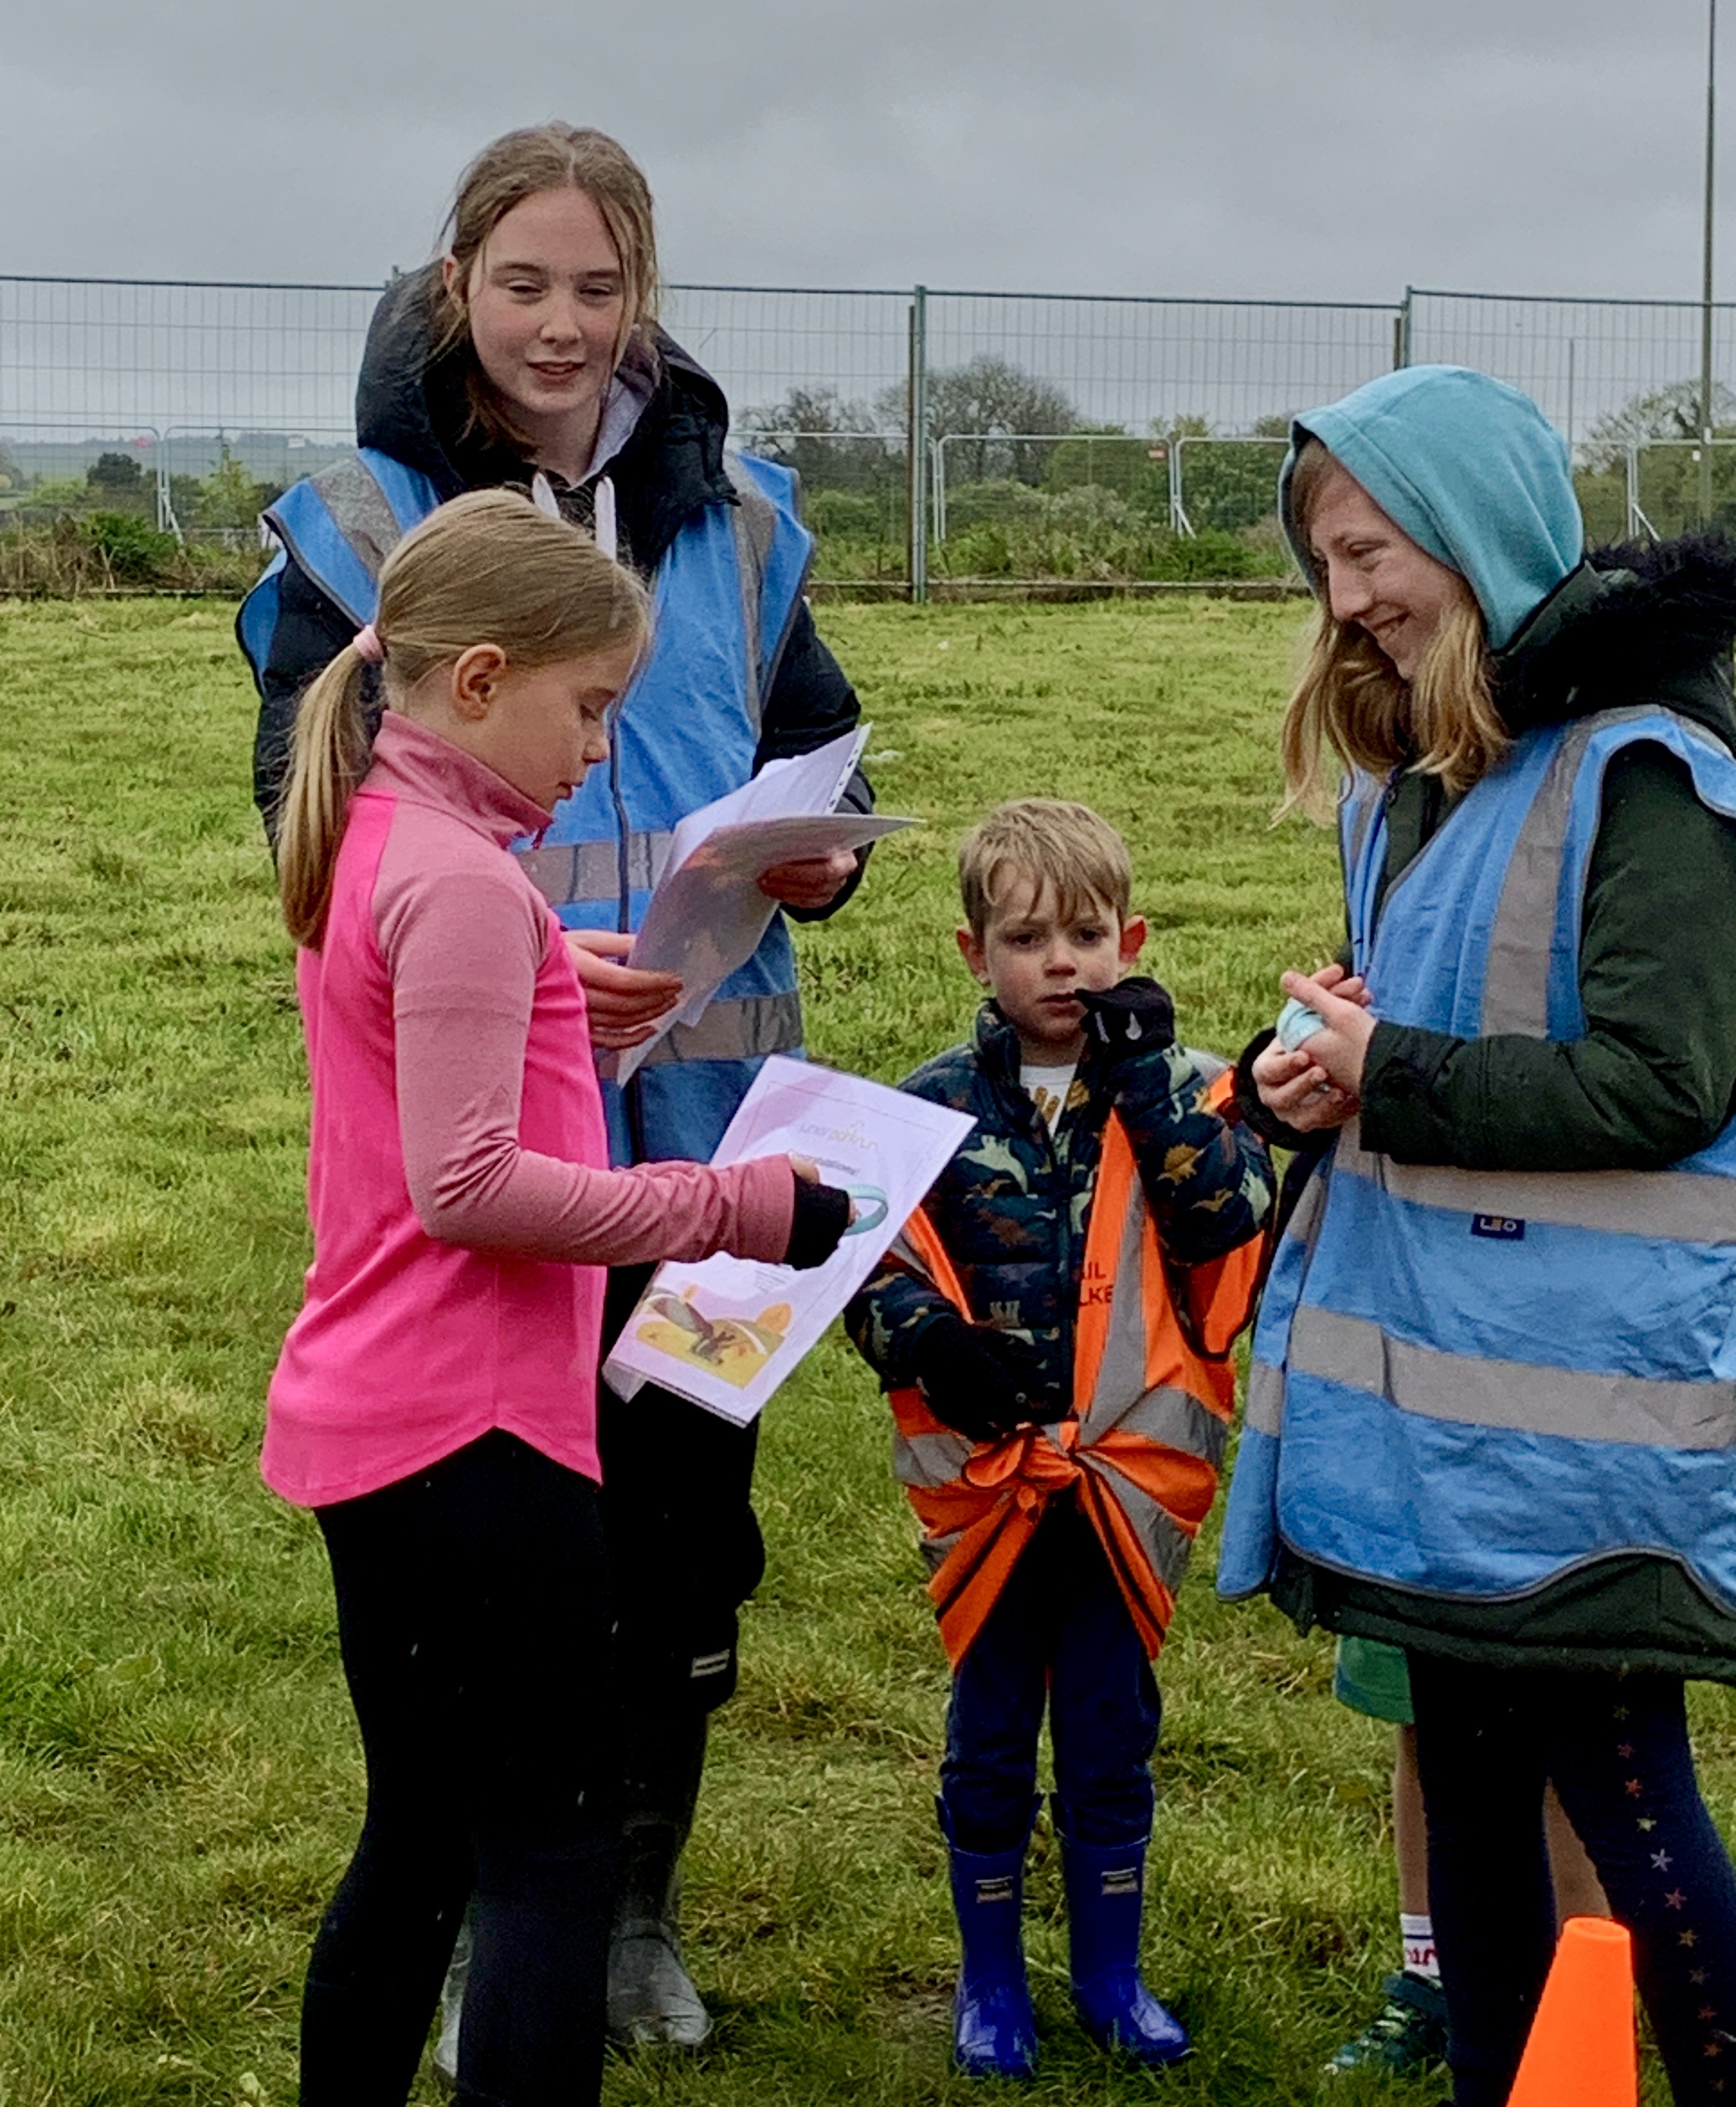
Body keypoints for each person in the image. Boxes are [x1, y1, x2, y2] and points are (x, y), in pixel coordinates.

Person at [237, 123, 872, 2055]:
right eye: (524, 283)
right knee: (509, 1598)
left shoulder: (744, 518)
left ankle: (622, 1915)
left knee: (685, 1541)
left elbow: (824, 753)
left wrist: (819, 858)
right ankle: (494, 1918)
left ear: (644, 300)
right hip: (502, 1158)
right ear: (457, 292)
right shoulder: (360, 526)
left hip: (699, 1121)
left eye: (601, 288)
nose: (564, 323)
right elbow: (310, 804)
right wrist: (503, 950)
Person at [1216, 363, 1736, 2107]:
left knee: (1633, 1809)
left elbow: (1668, 1081)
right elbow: (1431, 1028)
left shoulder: (1652, 769)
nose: (1349, 596)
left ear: (1480, 533)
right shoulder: (1420, 776)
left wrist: (1400, 1070)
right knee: (1480, 1814)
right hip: (1437, 1431)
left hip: (1586, 1433)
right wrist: (1311, 1076)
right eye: (1328, 564)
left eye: (1374, 550)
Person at [843, 799, 1273, 2077]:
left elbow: (1227, 1219)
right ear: (975, 952)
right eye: (1029, 937)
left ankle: (1110, 1970)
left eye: (1089, 933)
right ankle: (990, 1984)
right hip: (988, 1491)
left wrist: (1149, 1080)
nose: (1064, 963)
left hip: (1125, 1483)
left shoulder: (1182, 1088)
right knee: (988, 1735)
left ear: (1130, 939)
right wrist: (922, 1340)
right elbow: (863, 1256)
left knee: (1108, 1727)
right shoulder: (927, 1105)